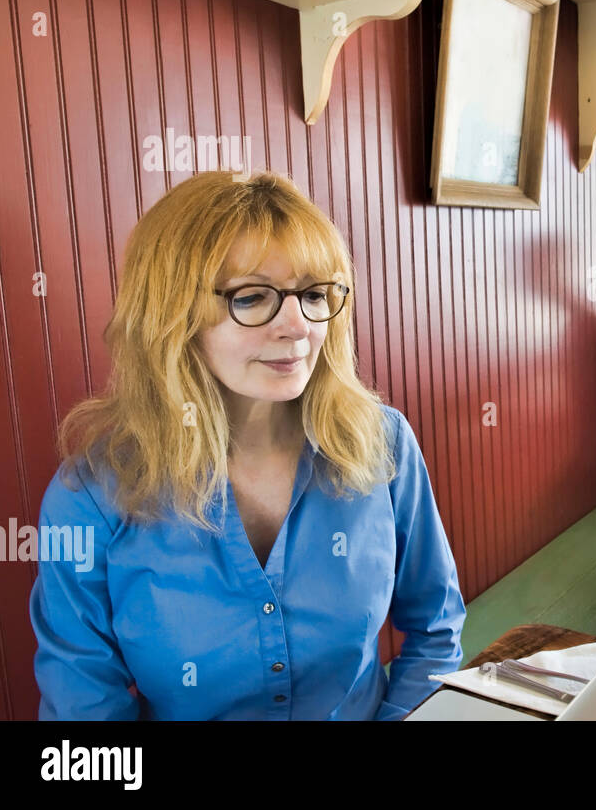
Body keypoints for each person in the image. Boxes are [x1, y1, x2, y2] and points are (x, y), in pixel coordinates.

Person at [30, 171, 465, 719]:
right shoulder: (91, 497)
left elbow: (436, 628)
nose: (298, 326)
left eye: (313, 293)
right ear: (172, 315)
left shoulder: (384, 442)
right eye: (252, 297)